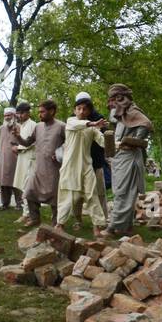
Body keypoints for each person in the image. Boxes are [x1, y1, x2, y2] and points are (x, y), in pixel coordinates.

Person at [56, 96, 108, 236]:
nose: (81, 111)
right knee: (67, 197)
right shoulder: (70, 122)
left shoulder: (92, 129)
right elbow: (79, 125)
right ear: (74, 110)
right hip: (70, 167)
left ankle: (97, 227)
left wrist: (116, 143)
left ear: (89, 111)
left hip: (86, 166)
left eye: (85, 109)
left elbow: (103, 142)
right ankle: (59, 224)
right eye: (79, 108)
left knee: (92, 195)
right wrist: (93, 124)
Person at [105, 83, 152, 237]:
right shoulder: (120, 114)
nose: (110, 103)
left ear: (120, 98)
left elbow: (145, 125)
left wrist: (133, 140)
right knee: (121, 192)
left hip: (129, 157)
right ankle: (127, 226)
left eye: (112, 100)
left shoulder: (134, 112)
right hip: (119, 158)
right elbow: (114, 121)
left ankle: (113, 227)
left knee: (124, 193)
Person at [16, 100, 66, 226]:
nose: (39, 115)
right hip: (38, 168)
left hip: (55, 169)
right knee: (29, 192)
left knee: (55, 198)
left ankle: (57, 223)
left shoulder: (61, 126)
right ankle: (34, 219)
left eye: (42, 112)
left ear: (52, 111)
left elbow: (70, 144)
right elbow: (27, 142)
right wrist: (17, 136)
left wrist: (61, 152)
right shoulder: (37, 127)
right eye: (39, 112)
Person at [10, 102, 38, 225]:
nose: (20, 116)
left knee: (27, 187)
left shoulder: (33, 125)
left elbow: (32, 142)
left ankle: (27, 215)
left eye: (22, 113)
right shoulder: (21, 126)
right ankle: (26, 213)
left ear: (27, 113)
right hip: (22, 159)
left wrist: (19, 148)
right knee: (22, 186)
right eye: (18, 113)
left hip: (30, 159)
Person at [0, 106, 21, 210]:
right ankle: (5, 204)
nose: (7, 117)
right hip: (2, 159)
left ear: (14, 116)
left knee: (16, 182)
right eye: (5, 115)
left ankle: (19, 204)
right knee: (4, 183)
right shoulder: (1, 129)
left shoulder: (19, 127)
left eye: (9, 115)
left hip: (15, 159)